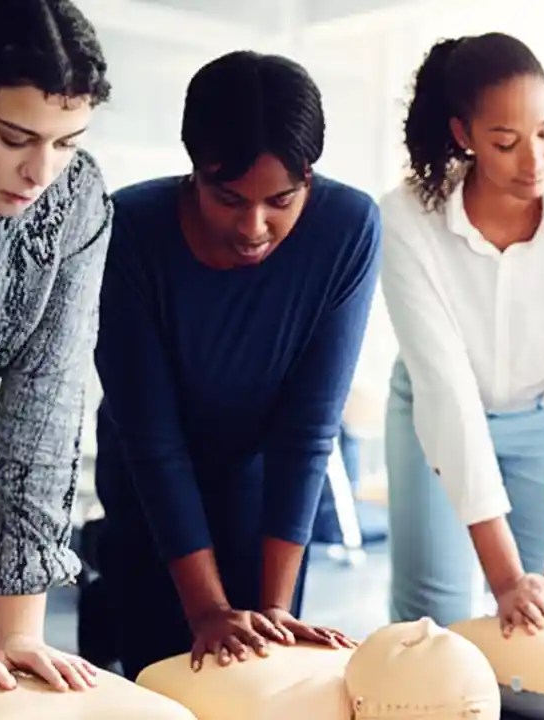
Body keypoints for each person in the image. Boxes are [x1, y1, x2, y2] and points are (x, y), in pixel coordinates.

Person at [92, 50, 375, 679]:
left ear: (309, 175)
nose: (254, 227)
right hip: (147, 482)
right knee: (166, 673)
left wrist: (274, 610)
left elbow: (308, 432)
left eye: (281, 200)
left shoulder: (347, 227)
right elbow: (152, 439)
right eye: (228, 198)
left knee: (263, 671)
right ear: (194, 170)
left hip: (261, 479)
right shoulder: (130, 229)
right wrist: (208, 609)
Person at [378, 32, 544, 635]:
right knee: (430, 622)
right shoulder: (405, 220)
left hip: (542, 416)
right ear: (464, 136)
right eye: (506, 142)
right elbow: (447, 395)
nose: (535, 160)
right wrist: (505, 582)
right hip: (430, 416)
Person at [0, 0, 112, 693]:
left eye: (65, 142)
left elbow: (47, 400)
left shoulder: (77, 201)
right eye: (14, 136)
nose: (41, 172)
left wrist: (22, 632)